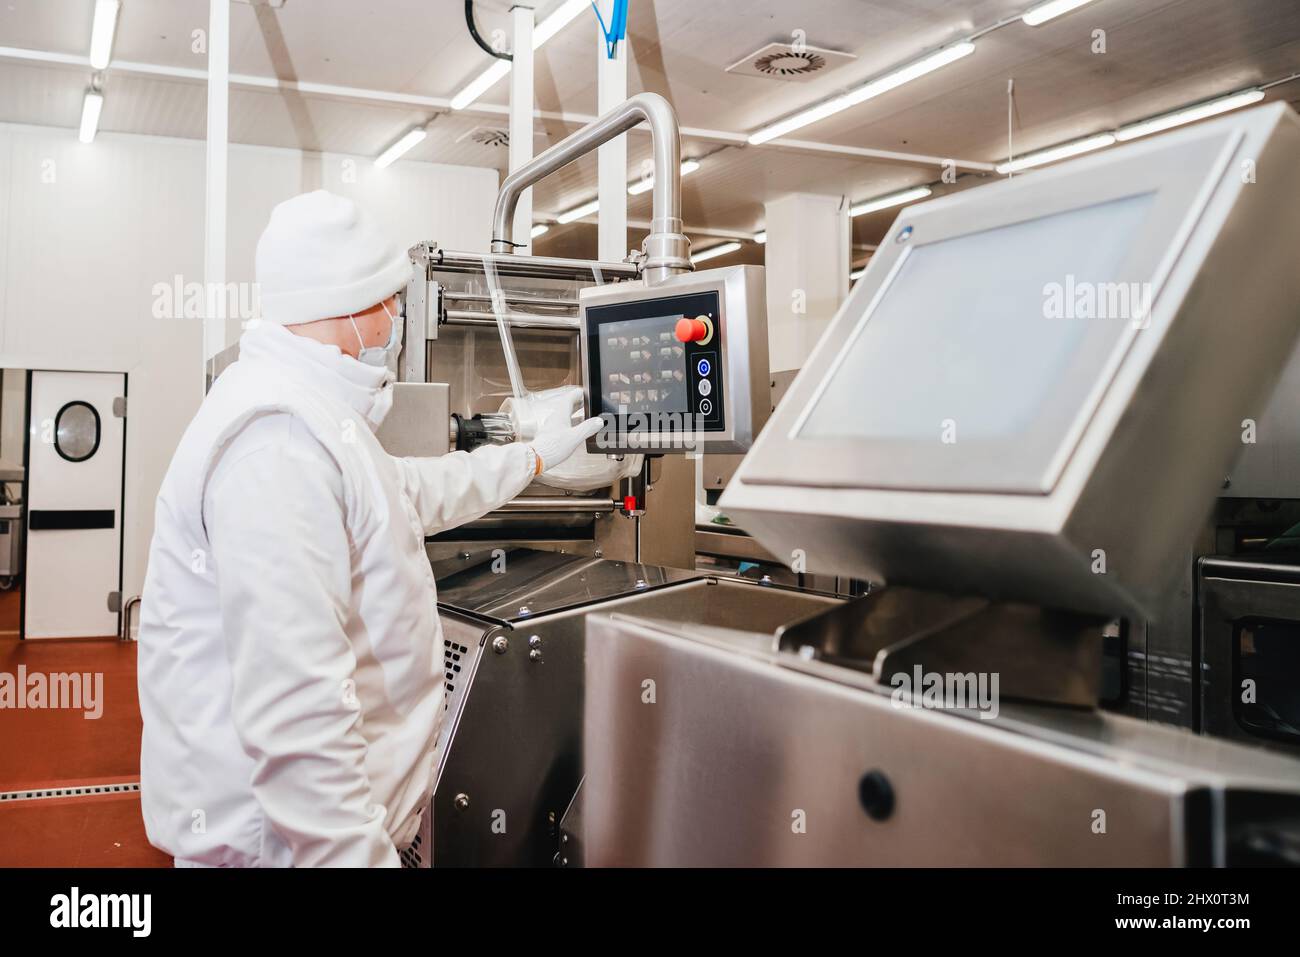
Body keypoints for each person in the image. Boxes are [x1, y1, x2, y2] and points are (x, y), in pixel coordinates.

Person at [137, 190, 600, 867]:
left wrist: (530, 454)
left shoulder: (314, 419)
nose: (396, 318)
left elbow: (408, 492)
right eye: (392, 300)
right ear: (351, 305)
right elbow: (298, 727)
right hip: (286, 853)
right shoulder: (278, 446)